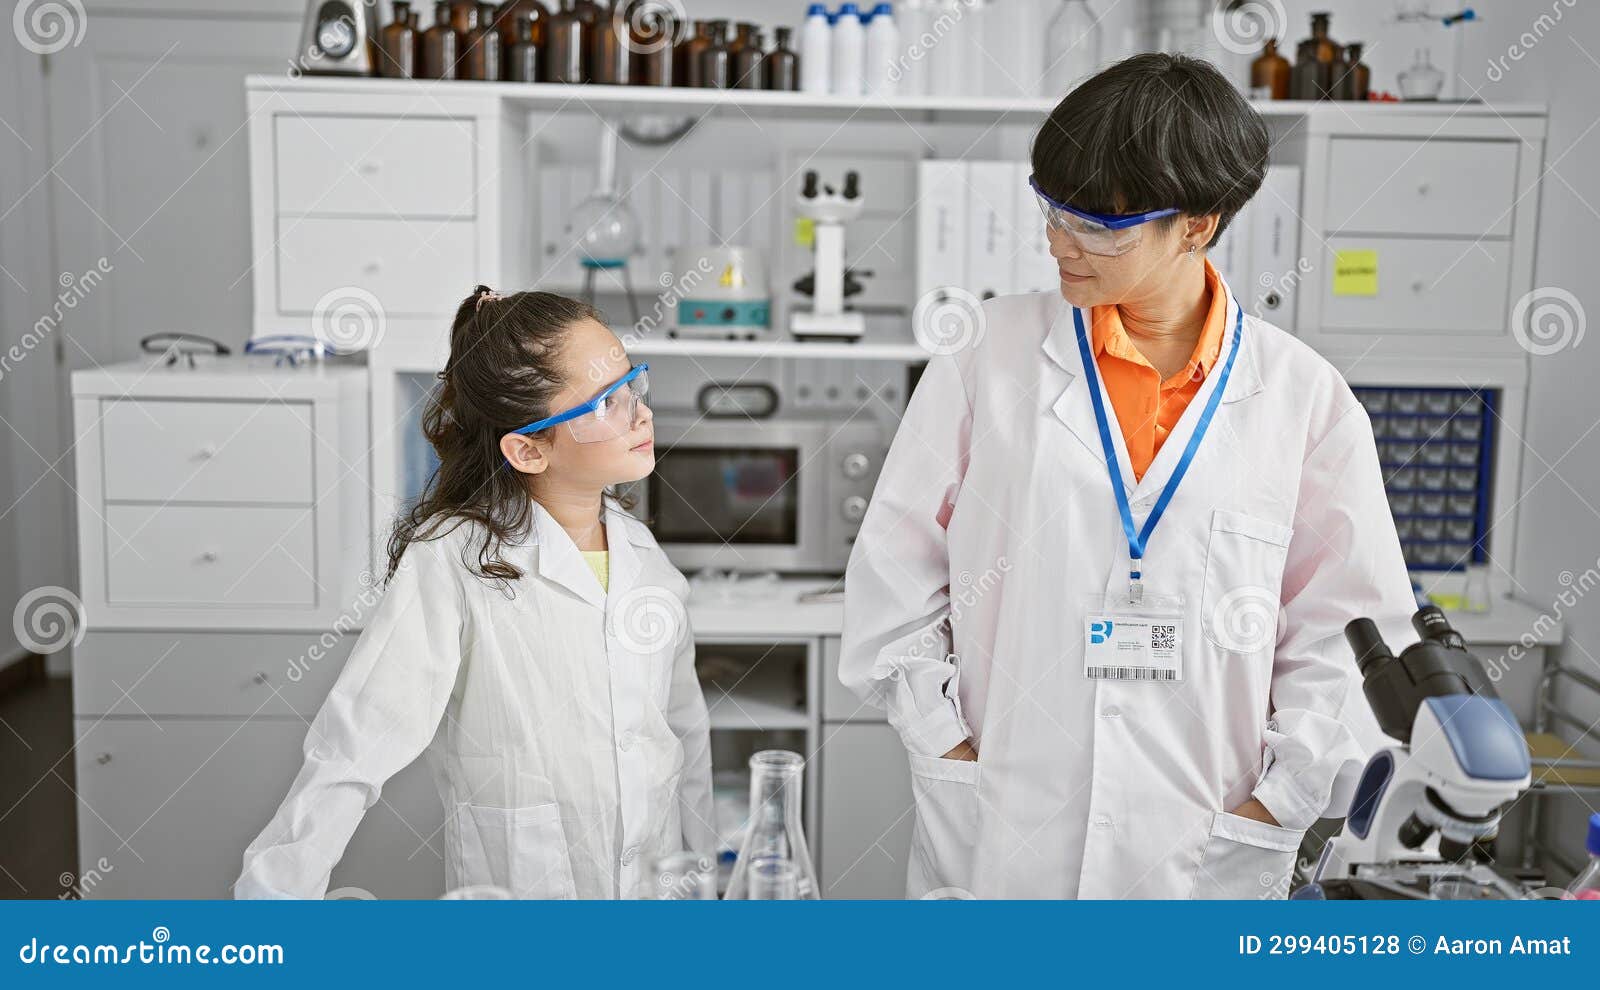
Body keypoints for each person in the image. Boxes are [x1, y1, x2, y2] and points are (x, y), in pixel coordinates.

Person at [839, 54, 1413, 899]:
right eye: (1051, 208)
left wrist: (1281, 799)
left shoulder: (1304, 399)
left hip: (1204, 843)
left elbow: (1347, 625)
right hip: (1003, 827)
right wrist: (941, 737)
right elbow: (895, 569)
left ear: (1198, 223)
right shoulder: (985, 356)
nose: (1058, 241)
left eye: (1101, 226)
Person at [236, 287, 714, 899]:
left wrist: (705, 883)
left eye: (633, 385)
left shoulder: (646, 560)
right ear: (529, 448)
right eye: (606, 403)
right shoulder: (455, 559)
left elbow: (683, 736)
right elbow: (355, 744)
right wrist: (271, 904)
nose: (641, 414)